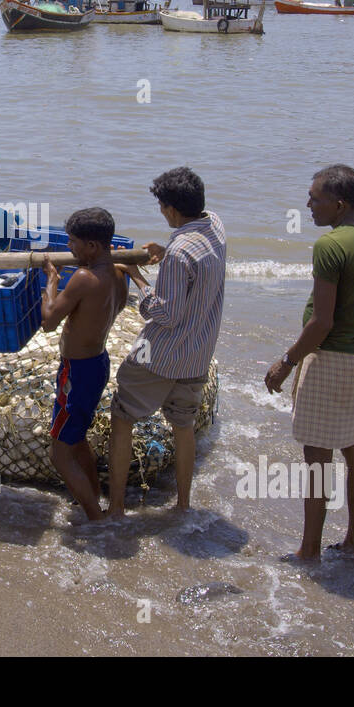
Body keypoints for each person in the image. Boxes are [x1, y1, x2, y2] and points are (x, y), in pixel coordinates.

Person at [265, 165, 354, 563]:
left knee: (317, 459)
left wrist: (286, 362)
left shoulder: (330, 246)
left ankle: (309, 549)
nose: (308, 205)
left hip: (328, 360)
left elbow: (322, 323)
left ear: (339, 204)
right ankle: (353, 541)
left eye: (315, 198)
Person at [108, 167, 226, 518]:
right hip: (197, 353)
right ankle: (183, 504)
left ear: (172, 209)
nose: (162, 213)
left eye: (162, 207)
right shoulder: (215, 225)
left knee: (121, 417)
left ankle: (115, 507)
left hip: (161, 355)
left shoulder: (178, 254)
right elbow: (190, 265)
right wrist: (166, 249)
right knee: (183, 425)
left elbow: (165, 314)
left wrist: (137, 277)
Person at [39, 208, 128, 522]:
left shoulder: (83, 277)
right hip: (98, 364)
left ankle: (95, 518)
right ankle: (93, 497)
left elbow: (49, 321)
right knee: (76, 438)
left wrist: (52, 280)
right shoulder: (119, 273)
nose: (70, 248)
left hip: (75, 372)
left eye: (74, 242)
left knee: (59, 454)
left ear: (92, 246)